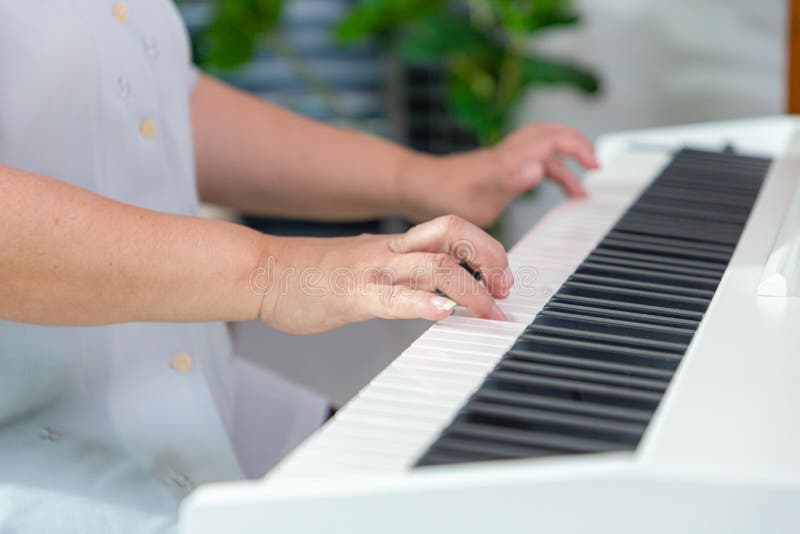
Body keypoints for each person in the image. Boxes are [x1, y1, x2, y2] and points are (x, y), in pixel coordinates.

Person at [0, 1, 597, 532]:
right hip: (41, 460)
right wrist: (274, 273)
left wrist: (423, 180)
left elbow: (150, 95)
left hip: (199, 399)